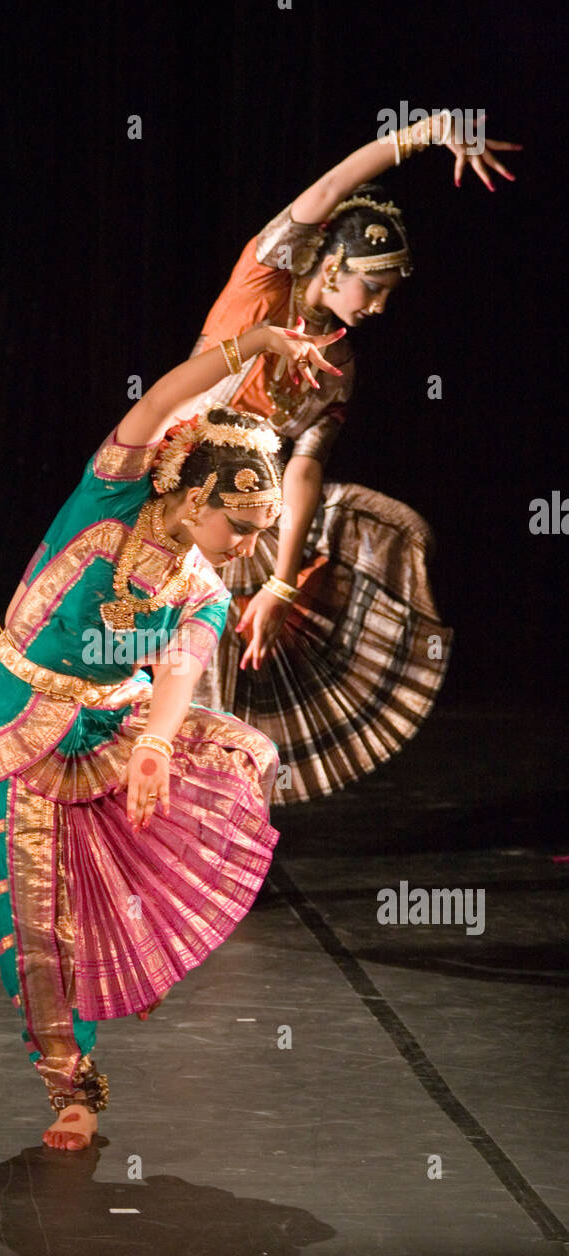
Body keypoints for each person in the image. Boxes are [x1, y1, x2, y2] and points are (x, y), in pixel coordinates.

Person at [0, 319, 345, 1151]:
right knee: (30, 919)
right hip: (11, 719)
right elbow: (164, 398)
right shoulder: (112, 493)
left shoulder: (205, 590)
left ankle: (97, 1021)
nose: (251, 547)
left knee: (239, 760)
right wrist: (259, 341)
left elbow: (182, 672)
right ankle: (70, 1089)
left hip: (113, 725)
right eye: (241, 527)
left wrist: (158, 748)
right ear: (195, 499)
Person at [181, 110, 521, 804]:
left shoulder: (337, 362)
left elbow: (303, 468)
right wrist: (426, 133)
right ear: (332, 266)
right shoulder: (265, 278)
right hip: (171, 493)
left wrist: (280, 585)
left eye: (392, 293)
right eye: (374, 287)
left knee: (385, 538)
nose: (381, 306)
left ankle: (210, 813)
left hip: (243, 511)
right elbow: (335, 184)